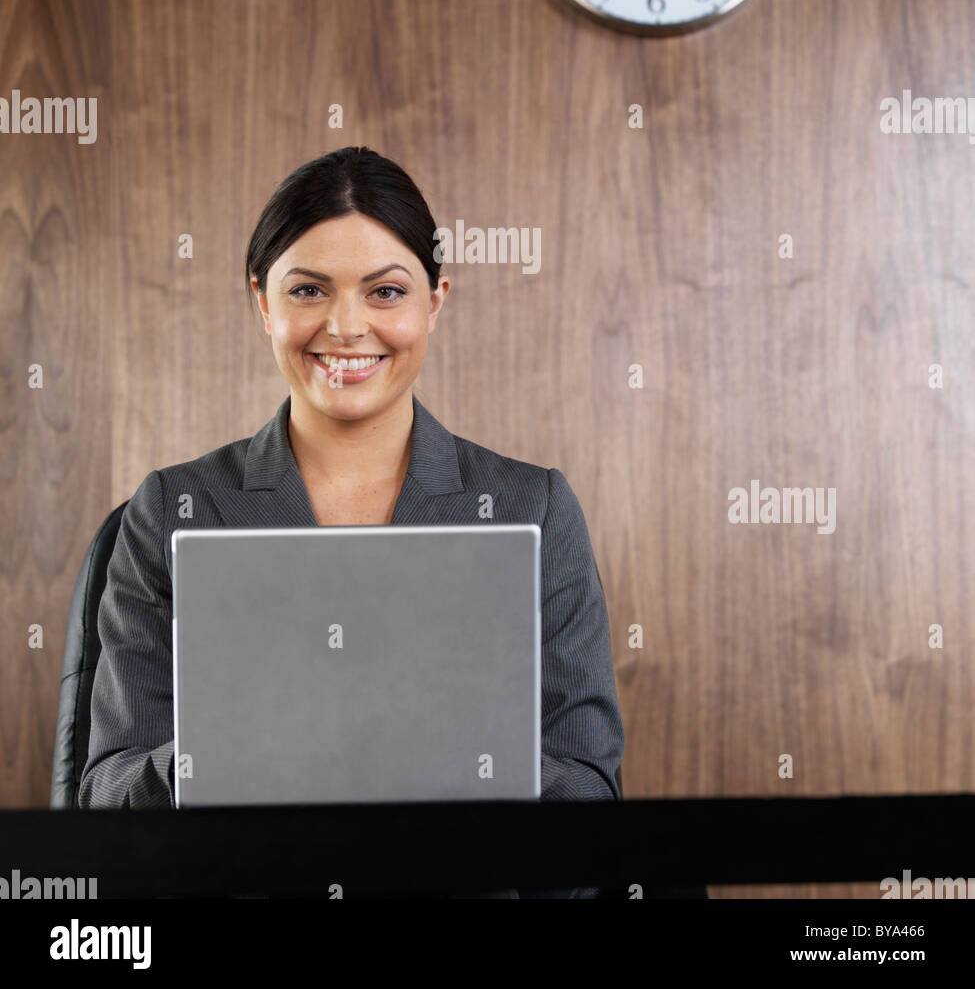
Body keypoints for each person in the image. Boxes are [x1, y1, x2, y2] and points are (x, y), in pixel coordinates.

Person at [78, 146, 626, 897]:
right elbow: (106, 799)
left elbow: (591, 801)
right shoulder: (174, 509)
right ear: (262, 303)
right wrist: (229, 753)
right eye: (307, 289)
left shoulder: (534, 508)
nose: (345, 326)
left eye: (384, 292)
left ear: (433, 302)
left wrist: (452, 751)